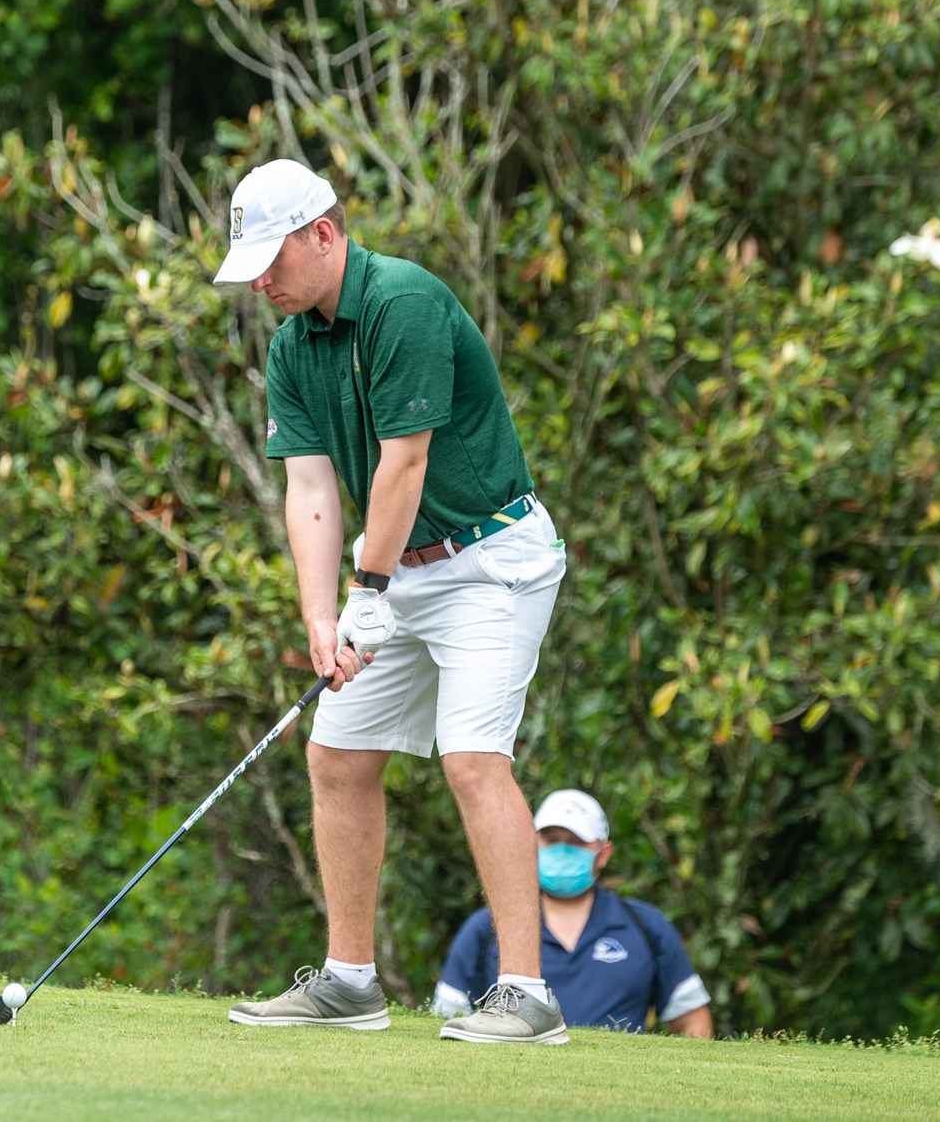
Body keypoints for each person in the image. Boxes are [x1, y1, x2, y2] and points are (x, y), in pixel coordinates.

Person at [212, 159, 571, 1044]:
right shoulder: (293, 345)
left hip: (490, 558)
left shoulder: (403, 302)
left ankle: (527, 995)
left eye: (274, 258)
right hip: (395, 568)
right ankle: (348, 981)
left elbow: (404, 462)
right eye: (251, 264)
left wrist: (370, 591)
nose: (263, 280)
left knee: (472, 758)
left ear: (323, 234)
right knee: (337, 755)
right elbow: (311, 491)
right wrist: (322, 617)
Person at [434, 789, 712, 1037]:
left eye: (576, 842)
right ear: (530, 844)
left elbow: (694, 1024)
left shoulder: (647, 926)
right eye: (551, 839)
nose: (562, 850)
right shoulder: (486, 927)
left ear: (603, 853)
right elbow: (446, 1018)